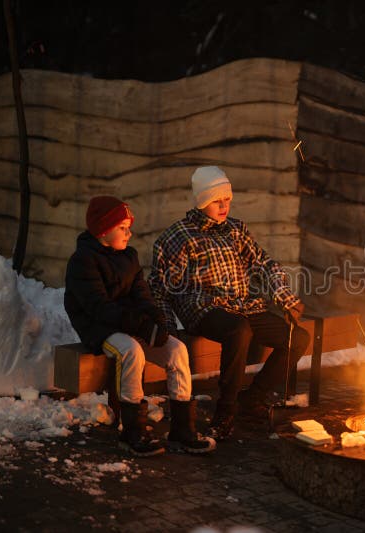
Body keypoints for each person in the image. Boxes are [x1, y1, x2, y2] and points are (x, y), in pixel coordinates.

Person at [149, 166, 309, 441]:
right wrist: (167, 329)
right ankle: (225, 411)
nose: (224, 206)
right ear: (201, 201)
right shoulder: (178, 237)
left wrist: (284, 297)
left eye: (227, 199)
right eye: (216, 200)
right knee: (239, 329)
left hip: (241, 305)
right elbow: (160, 287)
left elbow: (263, 264)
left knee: (297, 337)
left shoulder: (236, 229)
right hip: (203, 306)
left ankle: (252, 398)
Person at [64, 196, 216, 456]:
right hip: (100, 328)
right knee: (131, 352)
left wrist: (157, 321)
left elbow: (142, 295)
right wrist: (140, 325)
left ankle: (182, 429)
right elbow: (98, 307)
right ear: (104, 230)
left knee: (177, 350)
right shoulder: (83, 260)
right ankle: (132, 431)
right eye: (123, 227)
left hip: (131, 324)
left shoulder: (129, 257)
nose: (129, 232)